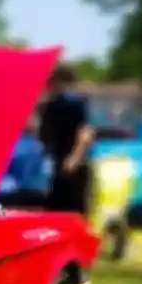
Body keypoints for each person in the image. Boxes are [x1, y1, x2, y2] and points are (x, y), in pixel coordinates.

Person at [38, 65, 95, 215]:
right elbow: (44, 136)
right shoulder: (48, 107)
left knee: (73, 209)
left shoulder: (74, 104)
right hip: (56, 165)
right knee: (54, 210)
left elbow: (86, 133)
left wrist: (75, 158)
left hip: (73, 164)